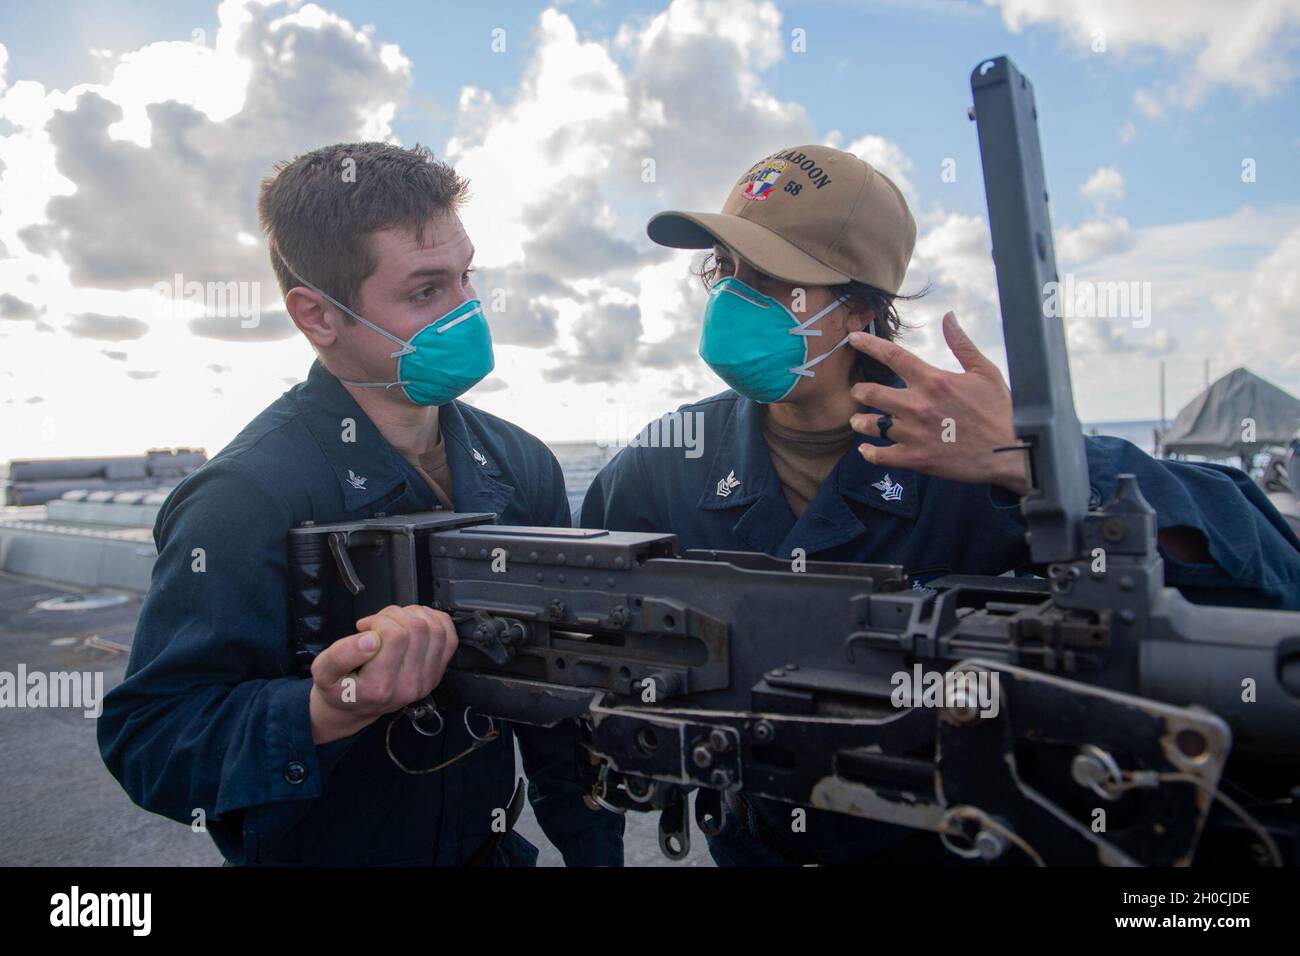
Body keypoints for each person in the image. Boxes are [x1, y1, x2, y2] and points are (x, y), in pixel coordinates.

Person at [581, 144, 1300, 866]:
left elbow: (1268, 581)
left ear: (858, 307)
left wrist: (1031, 463)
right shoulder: (664, 462)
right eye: (727, 271)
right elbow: (576, 607)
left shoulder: (974, 459)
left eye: (772, 281)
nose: (734, 299)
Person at [98, 142, 624, 866]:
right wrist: (320, 711)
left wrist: (596, 857)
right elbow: (151, 740)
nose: (468, 311)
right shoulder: (244, 496)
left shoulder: (521, 466)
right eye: (425, 292)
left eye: (467, 277)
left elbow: (555, 709)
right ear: (318, 315)